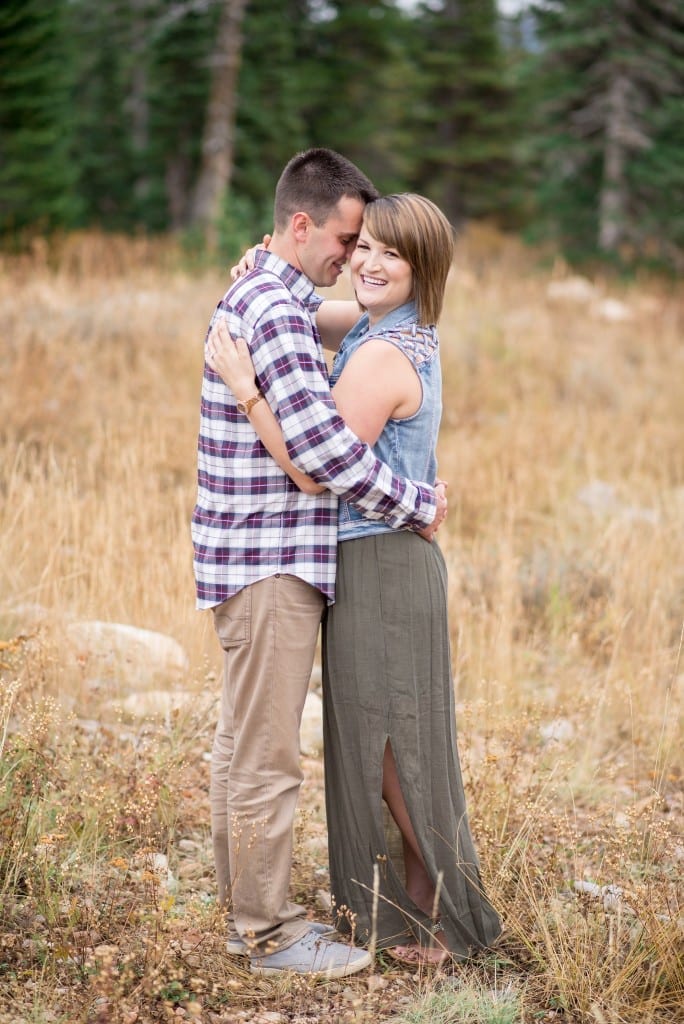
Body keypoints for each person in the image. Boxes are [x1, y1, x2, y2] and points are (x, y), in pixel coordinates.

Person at [208, 192, 502, 967]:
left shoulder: (379, 355)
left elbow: (314, 466)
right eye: (362, 244)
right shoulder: (384, 327)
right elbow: (307, 310)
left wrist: (244, 385)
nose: (366, 263)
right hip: (378, 560)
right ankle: (413, 900)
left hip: (381, 563)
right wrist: (263, 267)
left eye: (390, 255)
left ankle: (438, 909)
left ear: (423, 268)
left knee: (392, 744)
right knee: (383, 742)